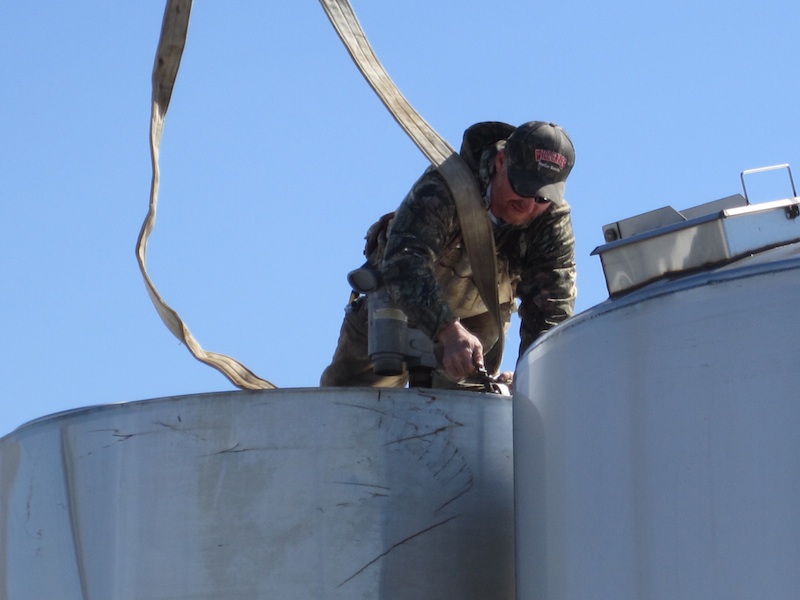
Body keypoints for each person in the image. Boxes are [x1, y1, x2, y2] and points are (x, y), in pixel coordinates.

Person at [320, 120, 576, 390]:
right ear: (501, 161)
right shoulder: (448, 185)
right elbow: (404, 262)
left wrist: (530, 374)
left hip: (478, 320)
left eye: (541, 198)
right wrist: (447, 329)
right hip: (394, 305)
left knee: (463, 420)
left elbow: (551, 309)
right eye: (522, 188)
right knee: (350, 407)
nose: (527, 206)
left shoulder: (551, 221)